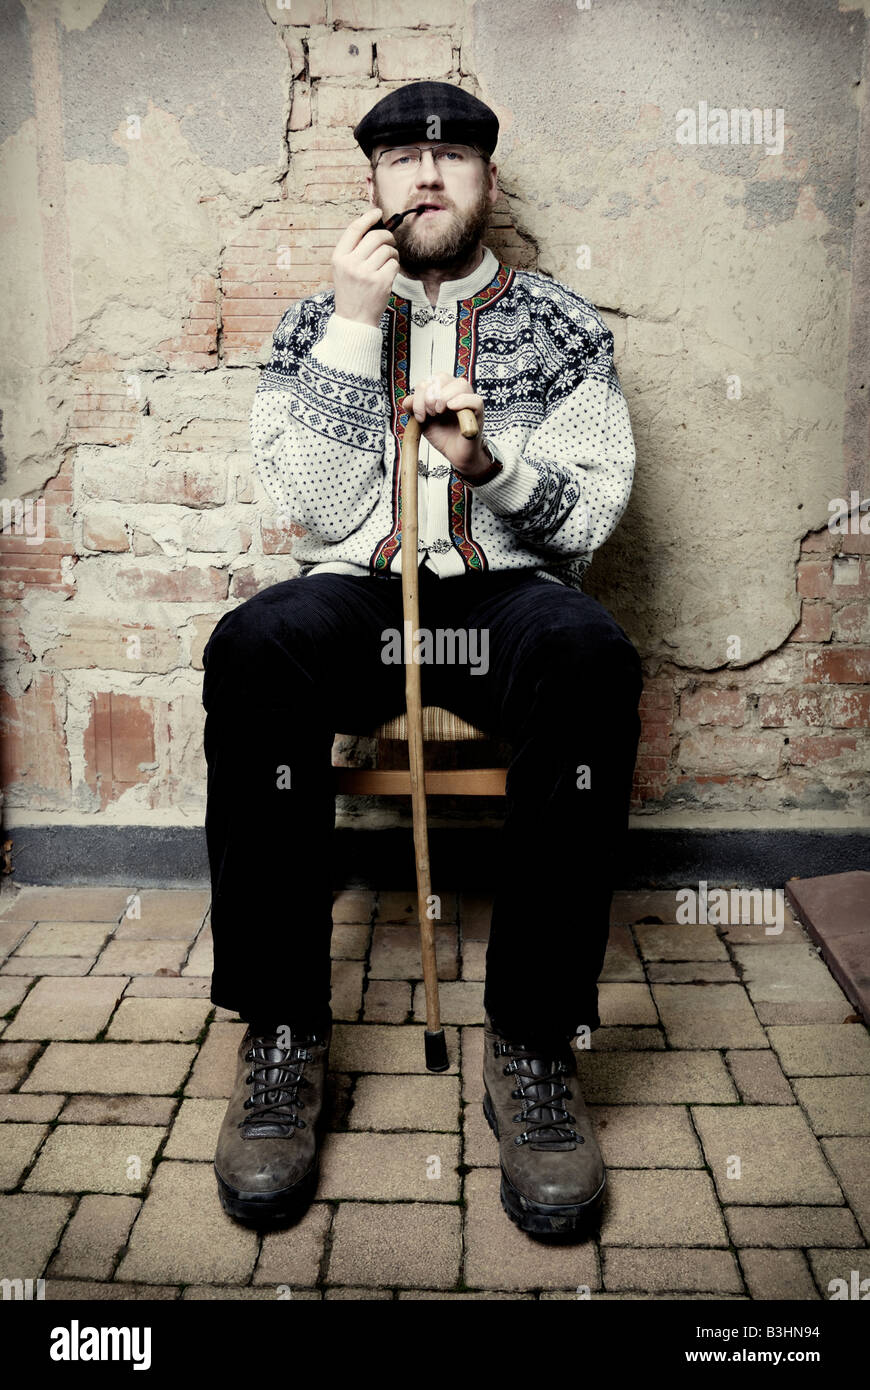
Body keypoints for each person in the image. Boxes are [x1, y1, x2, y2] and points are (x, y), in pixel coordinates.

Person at [202, 80, 643, 1239]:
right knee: (254, 646)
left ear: (490, 184)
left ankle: (536, 1043)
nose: (429, 176)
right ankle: (284, 1028)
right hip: (360, 597)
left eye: (453, 160)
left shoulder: (557, 322)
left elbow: (591, 519)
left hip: (503, 601)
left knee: (591, 654)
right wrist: (356, 323)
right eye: (403, 159)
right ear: (374, 185)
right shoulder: (311, 321)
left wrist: (487, 465)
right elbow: (313, 505)